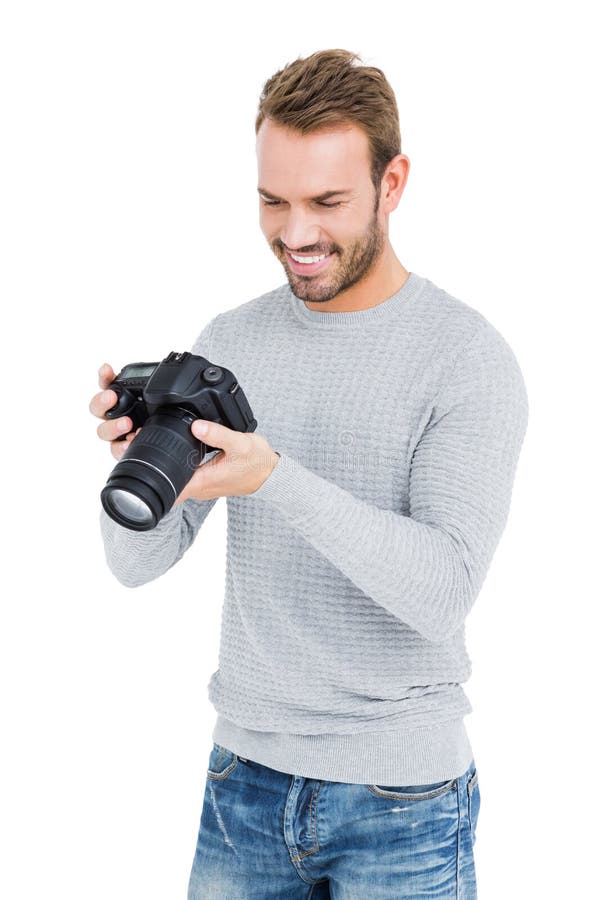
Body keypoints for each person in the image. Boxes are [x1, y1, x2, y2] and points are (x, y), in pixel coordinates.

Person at [90, 48, 528, 899]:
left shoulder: (466, 359)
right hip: (241, 786)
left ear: (391, 183)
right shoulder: (234, 338)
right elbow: (134, 566)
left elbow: (442, 590)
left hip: (403, 801)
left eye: (327, 202)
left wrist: (274, 478)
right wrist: (131, 467)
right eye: (272, 201)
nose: (296, 235)